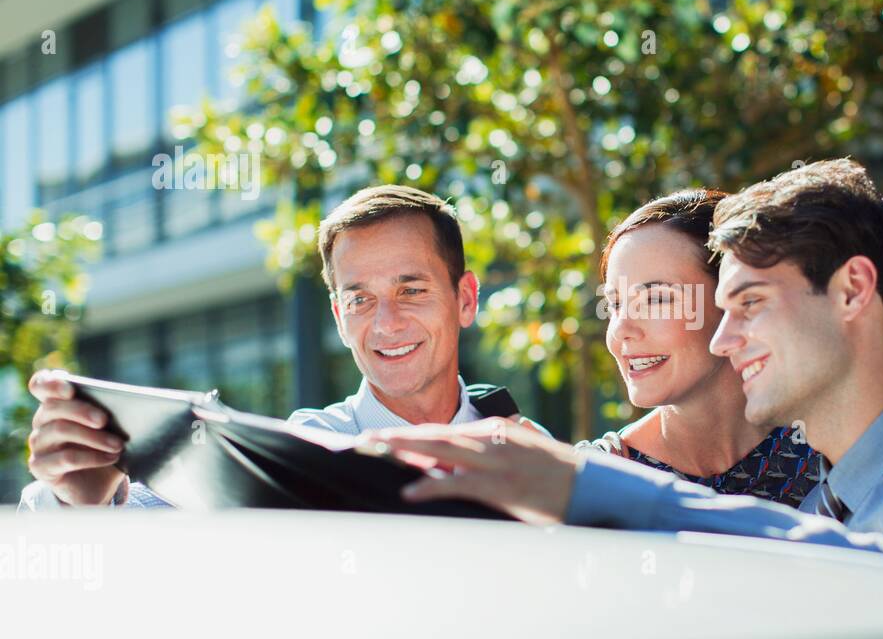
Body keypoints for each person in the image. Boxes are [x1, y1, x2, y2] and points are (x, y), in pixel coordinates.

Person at [366, 159, 883, 594]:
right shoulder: (824, 506)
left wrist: (606, 494)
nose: (723, 336)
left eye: (746, 303)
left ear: (851, 292)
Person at [20, 184, 545, 511]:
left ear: (466, 299)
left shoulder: (528, 443)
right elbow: (170, 512)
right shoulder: (305, 450)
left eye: (412, 290)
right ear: (340, 318)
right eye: (359, 299)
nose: (387, 323)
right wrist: (75, 499)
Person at [581, 189, 821, 507]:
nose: (621, 330)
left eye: (656, 300)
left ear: (735, 299)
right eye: (615, 304)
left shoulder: (829, 449)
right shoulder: (597, 476)